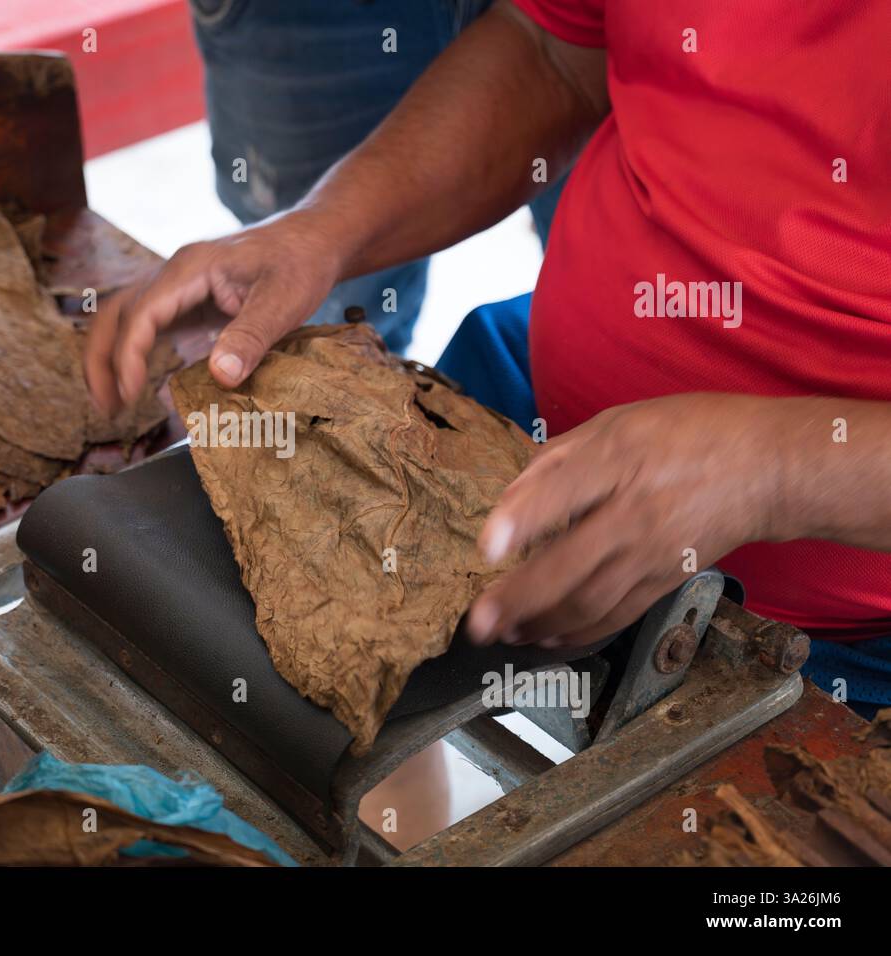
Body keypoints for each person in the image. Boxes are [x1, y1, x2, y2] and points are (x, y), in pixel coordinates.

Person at [86, 0, 891, 726]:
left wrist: (776, 467)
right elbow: (556, 50)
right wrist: (324, 228)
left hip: (849, 636)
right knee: (280, 669)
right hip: (515, 433)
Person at [188, 0, 566, 354]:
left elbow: (557, 57)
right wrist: (318, 233)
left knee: (592, 289)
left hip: (579, 29)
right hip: (306, 15)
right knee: (332, 332)